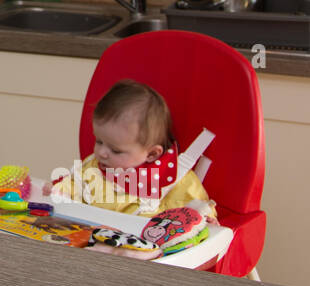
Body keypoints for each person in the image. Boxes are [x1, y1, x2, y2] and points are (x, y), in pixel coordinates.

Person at [49, 79, 217, 219]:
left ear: (151, 154)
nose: (101, 152)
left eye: (116, 150)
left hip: (144, 249)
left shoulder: (173, 179)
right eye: (99, 141)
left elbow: (195, 210)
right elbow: (75, 184)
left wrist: (205, 219)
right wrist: (61, 191)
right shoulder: (94, 165)